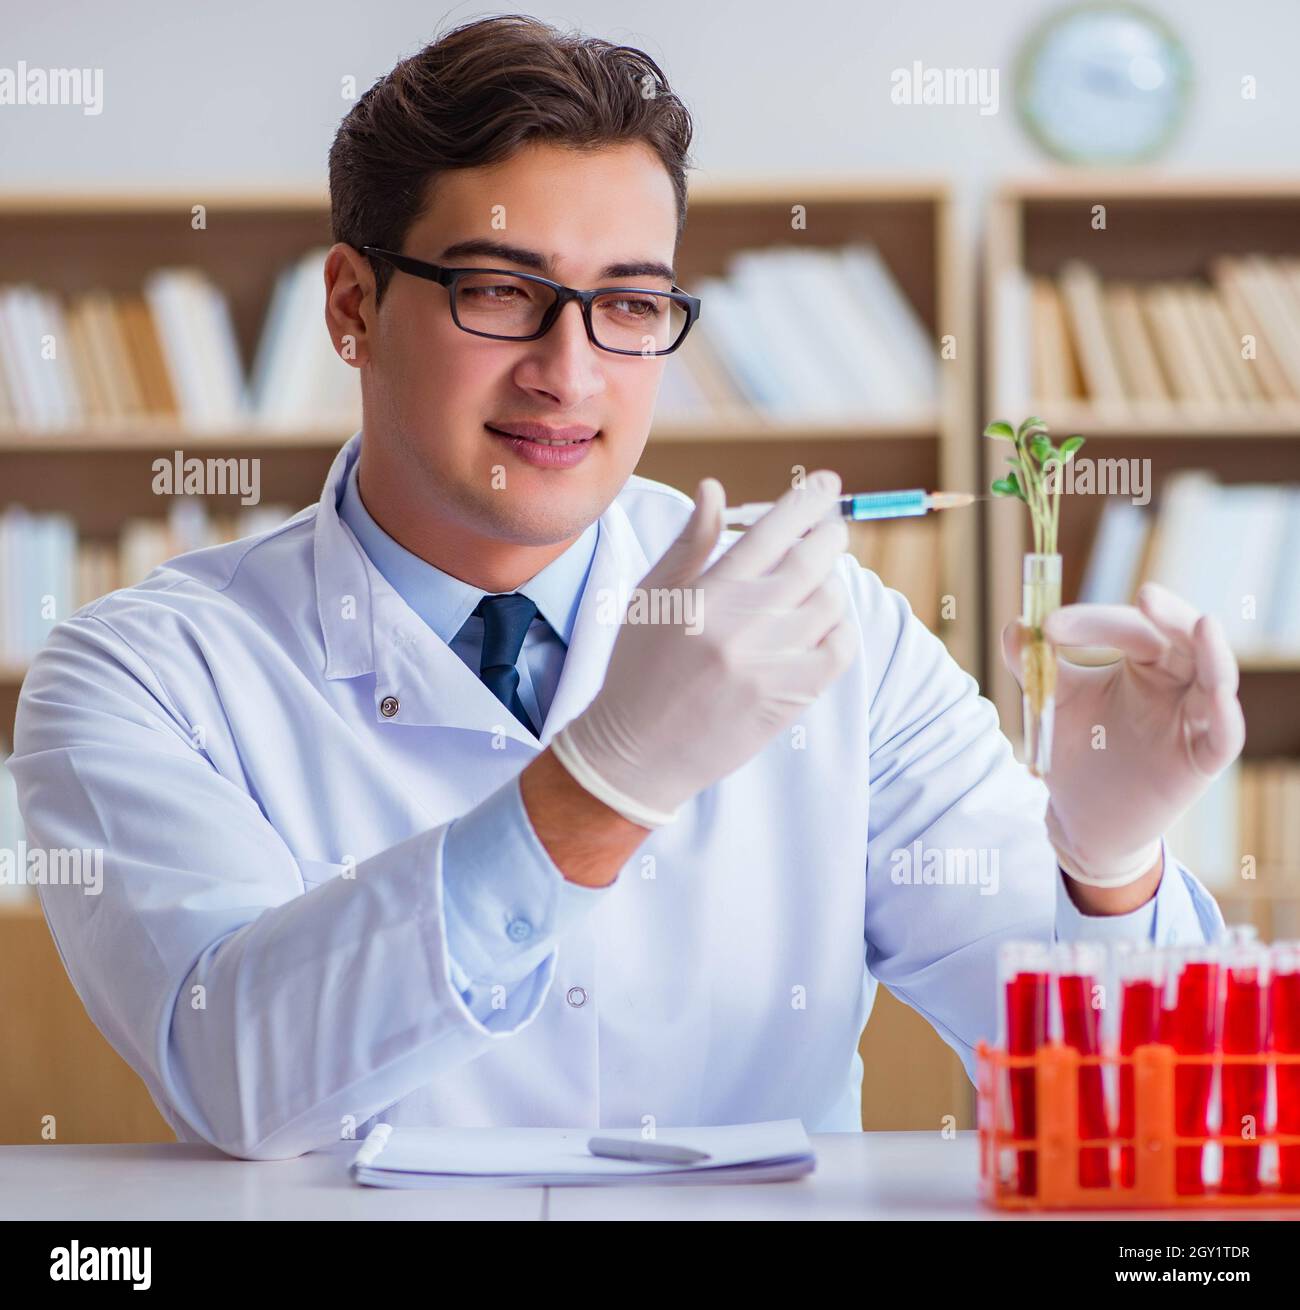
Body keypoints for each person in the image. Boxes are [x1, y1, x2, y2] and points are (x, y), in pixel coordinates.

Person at [11, 14, 1243, 1161]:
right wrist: (606, 781)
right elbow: (238, 1073)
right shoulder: (141, 673)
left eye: (630, 304)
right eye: (499, 290)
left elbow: (1123, 1099)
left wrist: (1109, 858)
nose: (570, 371)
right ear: (352, 305)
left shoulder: (833, 624)